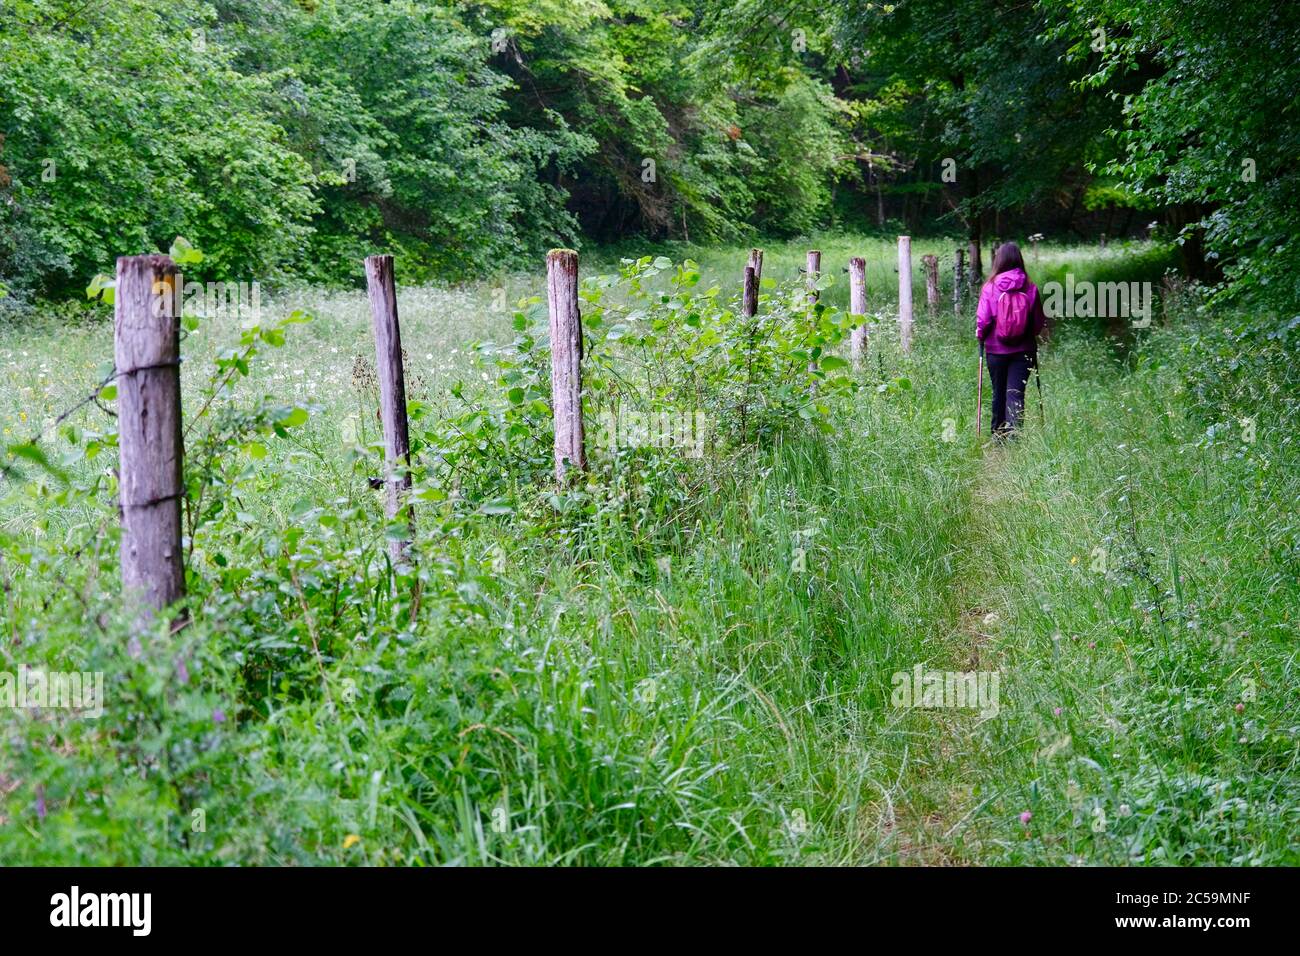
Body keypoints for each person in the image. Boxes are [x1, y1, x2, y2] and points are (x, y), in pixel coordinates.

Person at [976, 242, 1047, 436]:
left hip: (995, 349)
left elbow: (983, 319)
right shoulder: (1030, 287)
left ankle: (998, 436)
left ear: (998, 260)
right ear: (1019, 260)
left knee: (998, 392)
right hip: (1024, 350)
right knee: (1016, 394)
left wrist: (980, 336)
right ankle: (1015, 437)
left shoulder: (990, 287)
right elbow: (1038, 322)